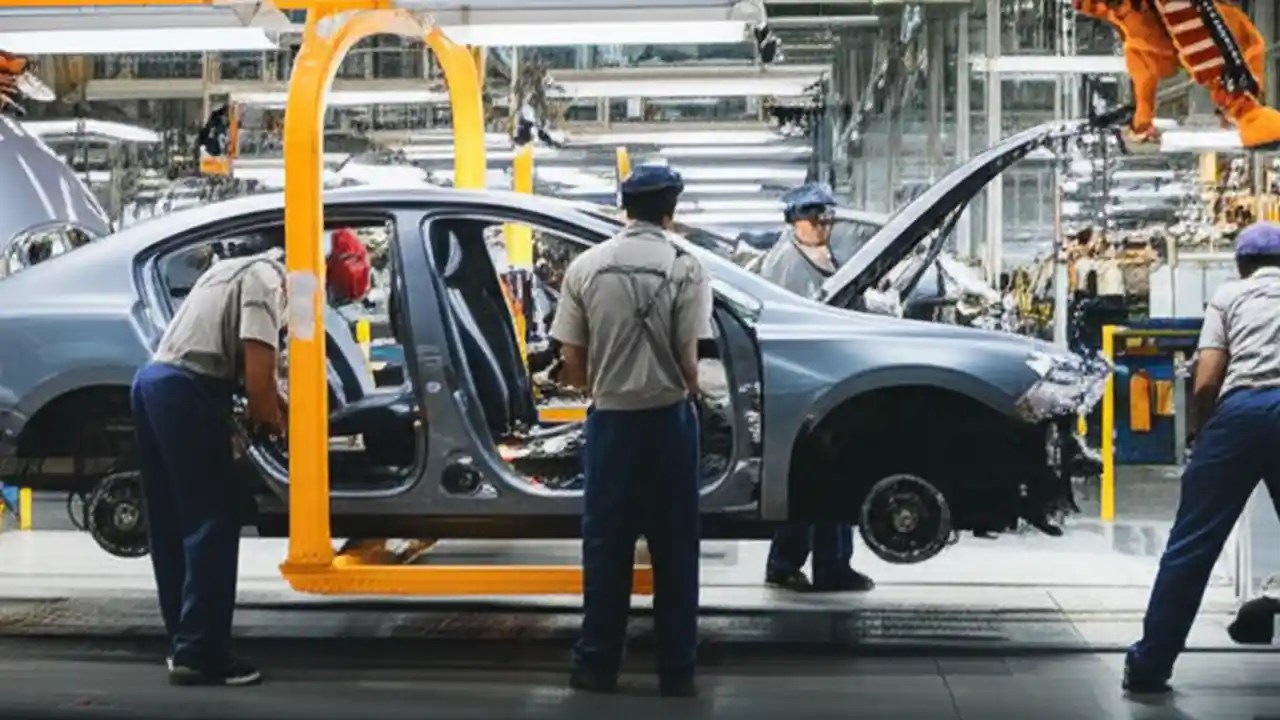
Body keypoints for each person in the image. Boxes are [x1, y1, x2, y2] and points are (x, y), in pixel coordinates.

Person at [551, 164, 711, 698]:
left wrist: (602, 384)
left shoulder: (586, 267)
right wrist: (692, 390)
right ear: (671, 210)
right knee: (676, 549)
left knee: (606, 547)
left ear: (625, 208)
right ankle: (676, 670)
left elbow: (573, 363)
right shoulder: (687, 267)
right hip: (669, 423)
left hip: (612, 425)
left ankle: (596, 666)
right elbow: (689, 361)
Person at [1125, 221, 1280, 693]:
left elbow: (1207, 379)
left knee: (1192, 544)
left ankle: (1150, 665)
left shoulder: (1230, 296)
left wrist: (1201, 434)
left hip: (1240, 415)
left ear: (1242, 264)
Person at [132, 249, 287, 686]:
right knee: (213, 521)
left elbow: (263, 381)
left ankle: (184, 643)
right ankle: (202, 654)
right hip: (188, 390)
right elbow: (259, 380)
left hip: (152, 383)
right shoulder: (267, 281)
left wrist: (277, 402)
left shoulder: (229, 269)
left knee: (172, 525)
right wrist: (280, 428)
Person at [757, 183, 875, 594]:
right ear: (795, 221)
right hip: (805, 385)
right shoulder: (786, 263)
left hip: (834, 380)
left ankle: (833, 564)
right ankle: (790, 564)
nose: (822, 226)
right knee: (811, 479)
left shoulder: (825, 256)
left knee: (834, 477)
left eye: (826, 218)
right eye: (813, 218)